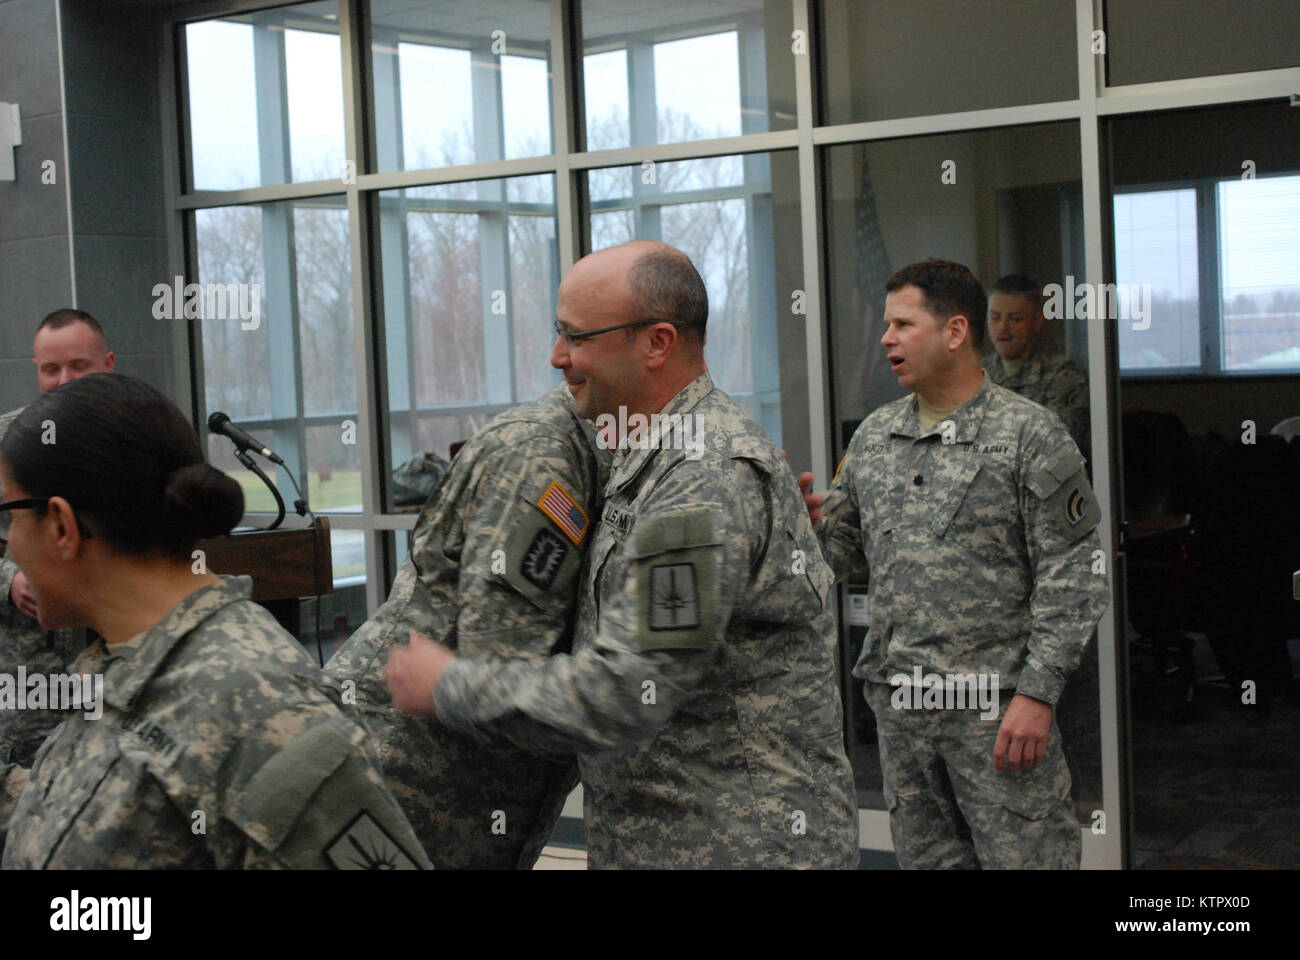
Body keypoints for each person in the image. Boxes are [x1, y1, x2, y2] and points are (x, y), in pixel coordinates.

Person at [385, 241, 859, 869]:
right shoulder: (657, 461)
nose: (559, 358)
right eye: (559, 334)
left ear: (657, 343)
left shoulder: (700, 476)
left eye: (577, 338)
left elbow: (627, 689)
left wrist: (449, 685)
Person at [0, 374, 429, 869]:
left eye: (10, 518)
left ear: (62, 526)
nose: (8, 544)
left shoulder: (264, 706)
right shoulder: (122, 666)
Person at [803, 259, 1109, 869]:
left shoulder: (1029, 434)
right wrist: (800, 530)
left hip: (995, 709)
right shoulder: (874, 436)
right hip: (902, 704)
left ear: (953, 332)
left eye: (902, 323)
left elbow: (1075, 574)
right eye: (887, 324)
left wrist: (1038, 694)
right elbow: (837, 556)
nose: (886, 338)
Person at [325, 385, 606, 868]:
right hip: (409, 770)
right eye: (570, 337)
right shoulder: (542, 454)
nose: (563, 356)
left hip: (473, 784)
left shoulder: (616, 451)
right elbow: (494, 662)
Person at [0, 308, 113, 766]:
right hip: (26, 681)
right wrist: (9, 580)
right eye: (51, 369)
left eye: (78, 366)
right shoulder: (6, 443)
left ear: (107, 365)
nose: (64, 380)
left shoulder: (136, 439)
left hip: (113, 672)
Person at [986, 274, 1090, 457]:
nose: (1003, 328)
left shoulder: (1062, 375)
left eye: (1015, 319)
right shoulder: (976, 373)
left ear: (1036, 322)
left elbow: (1058, 449)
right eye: (995, 318)